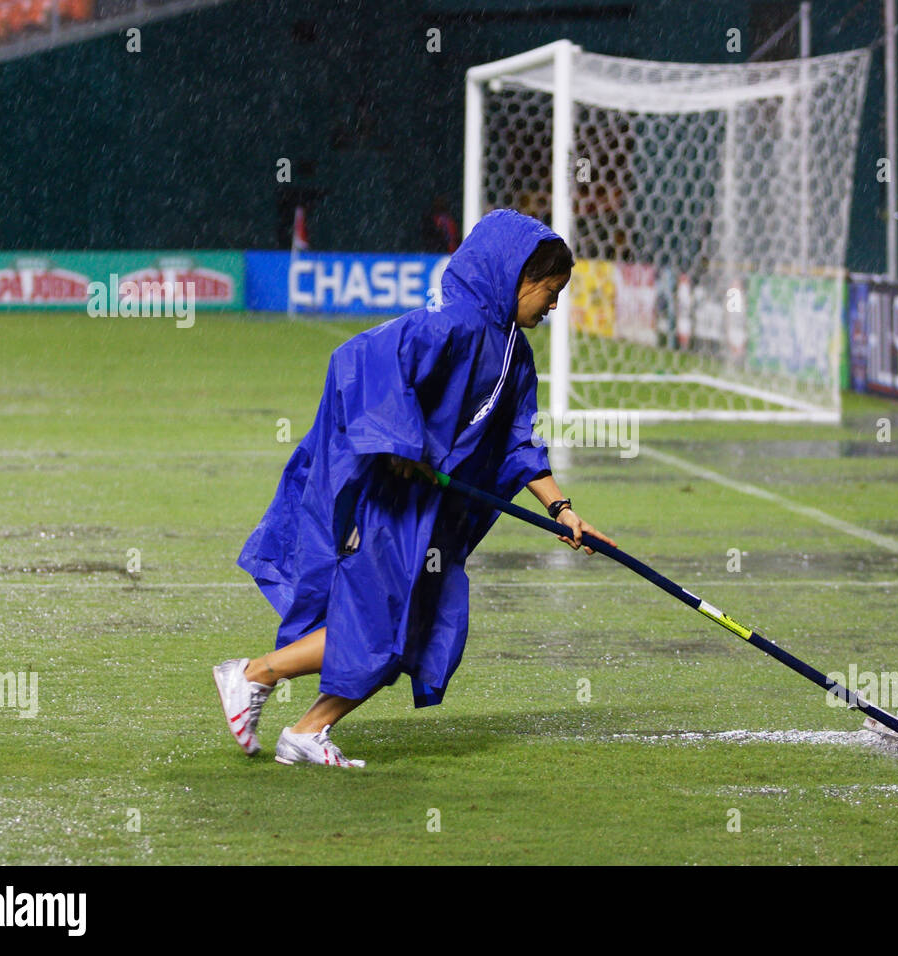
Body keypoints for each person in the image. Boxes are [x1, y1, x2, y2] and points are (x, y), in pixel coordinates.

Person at [214, 208, 614, 768]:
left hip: (436, 520)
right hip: (394, 509)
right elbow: (360, 359)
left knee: (424, 626)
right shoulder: (449, 324)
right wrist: (402, 447)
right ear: (517, 278)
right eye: (549, 291)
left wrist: (563, 510)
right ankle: (254, 674)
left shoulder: (516, 356)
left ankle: (308, 731)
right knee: (382, 626)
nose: (552, 305)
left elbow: (519, 443)